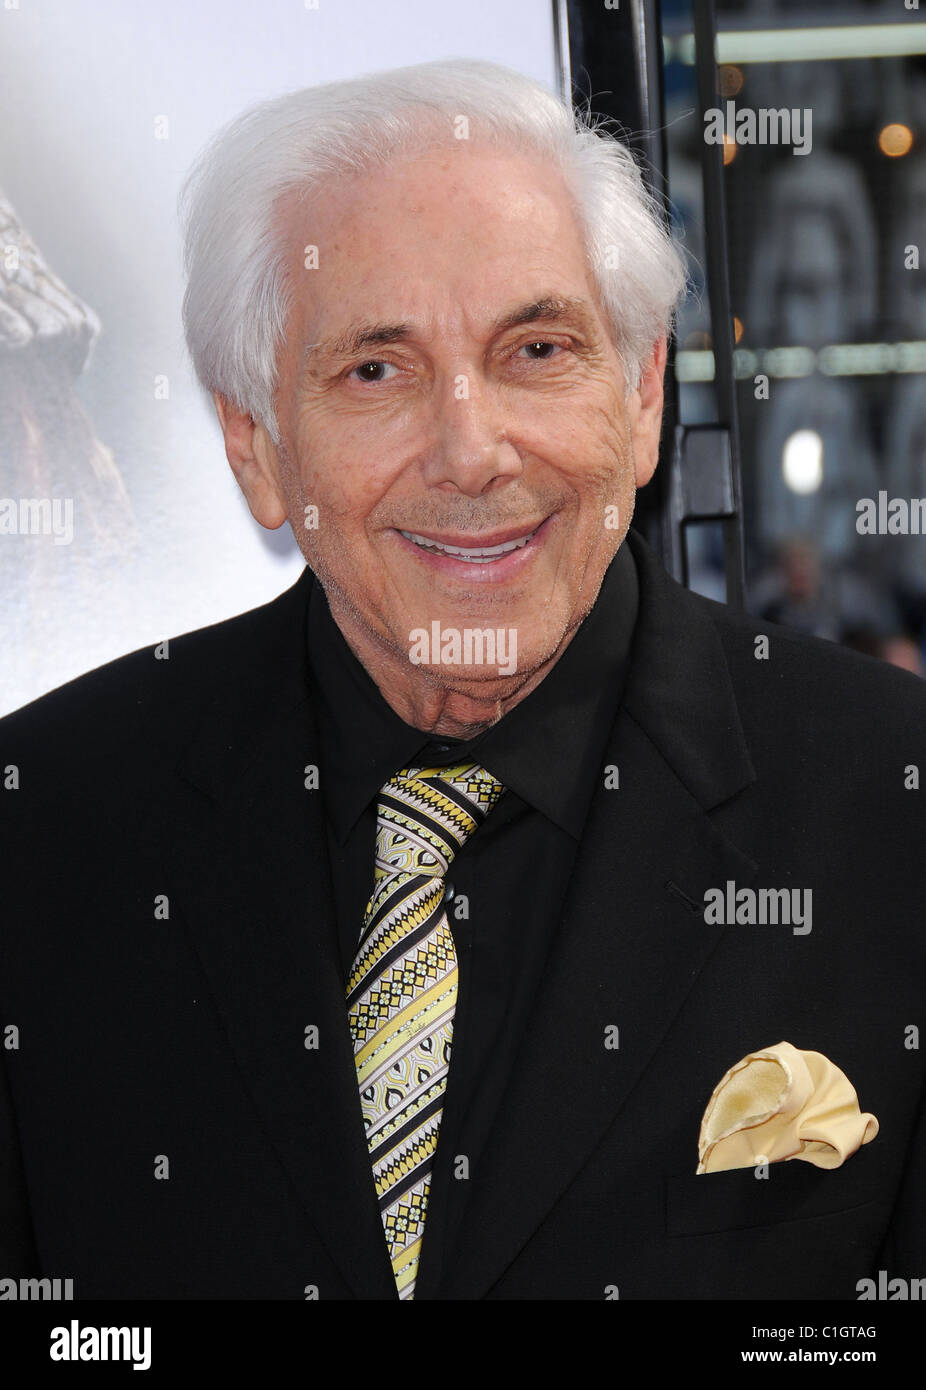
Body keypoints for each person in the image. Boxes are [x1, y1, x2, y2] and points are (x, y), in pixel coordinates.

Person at [1, 60, 923, 1302]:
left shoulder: (892, 813)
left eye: (536, 349)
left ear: (643, 394)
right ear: (255, 447)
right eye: (375, 371)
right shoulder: (41, 828)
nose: (470, 450)